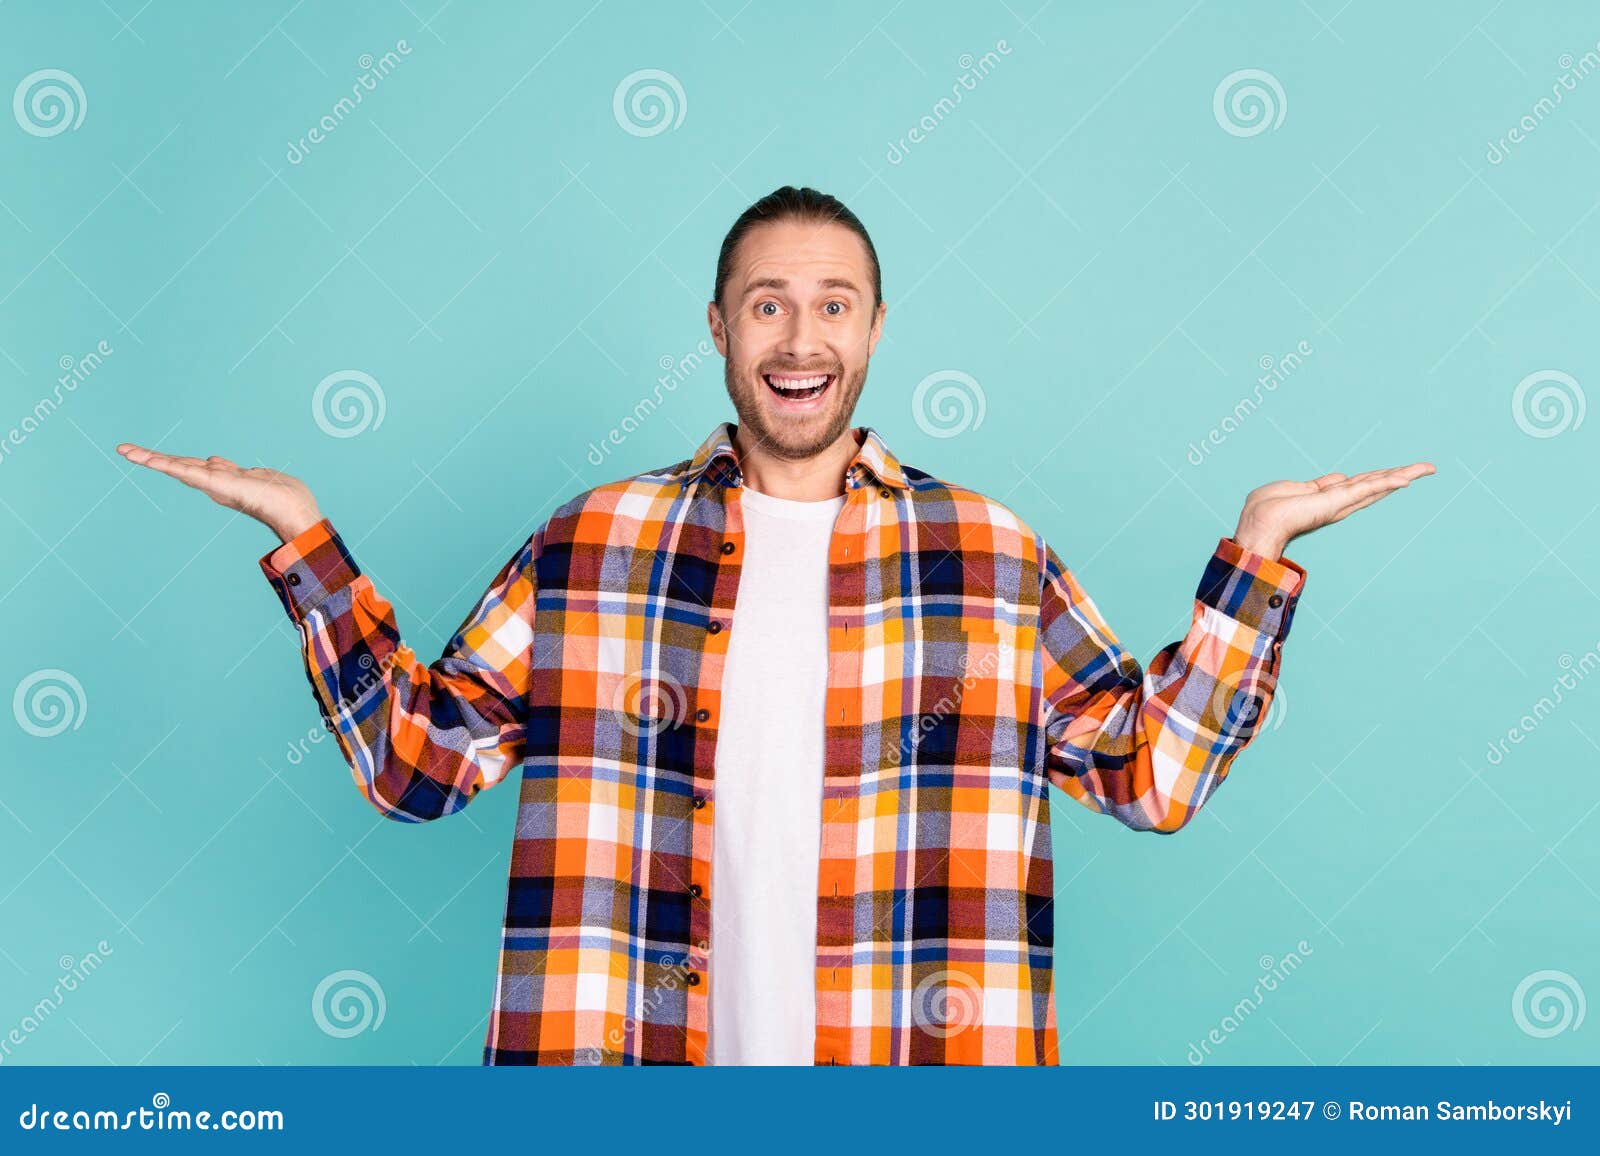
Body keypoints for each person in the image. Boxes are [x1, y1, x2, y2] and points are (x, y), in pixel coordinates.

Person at [117, 185, 1433, 1066]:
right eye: (767, 302)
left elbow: (1151, 780)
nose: (800, 336)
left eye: (833, 303)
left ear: (874, 328)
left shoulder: (988, 553)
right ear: (718, 326)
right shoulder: (594, 543)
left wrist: (1257, 552)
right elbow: (416, 769)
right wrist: (304, 539)